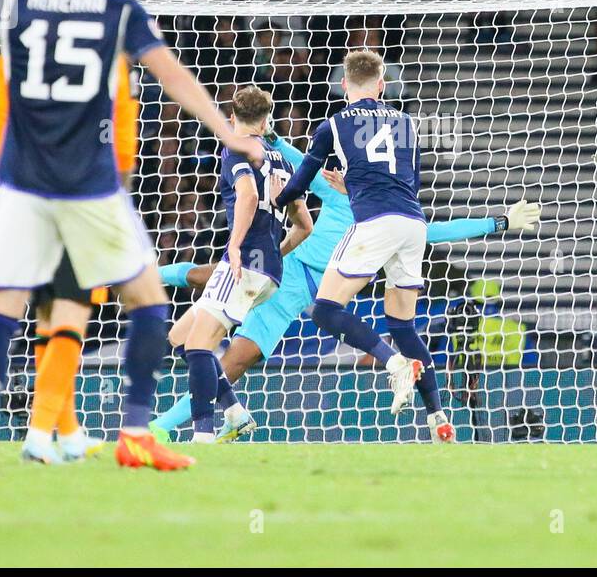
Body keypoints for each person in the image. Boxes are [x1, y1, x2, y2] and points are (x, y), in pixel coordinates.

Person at [0, 0, 259, 472]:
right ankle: (133, 433)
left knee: (1, 312)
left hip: (24, 188)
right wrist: (226, 131)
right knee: (149, 302)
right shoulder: (120, 11)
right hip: (92, 190)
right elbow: (171, 74)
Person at [151, 136, 542, 443]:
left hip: (293, 294)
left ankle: (173, 423)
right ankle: (152, 279)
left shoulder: (393, 214)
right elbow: (303, 159)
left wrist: (499, 222)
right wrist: (270, 134)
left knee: (226, 358)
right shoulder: (341, 191)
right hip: (284, 267)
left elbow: (439, 231)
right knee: (192, 320)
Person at [0, 0, 139, 463]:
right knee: (69, 314)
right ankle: (41, 436)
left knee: (29, 313)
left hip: (23, 197)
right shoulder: (109, 40)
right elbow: (123, 140)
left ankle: (45, 433)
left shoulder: (18, 46)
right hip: (82, 196)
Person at [273, 50, 433, 419]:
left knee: (326, 310)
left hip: (375, 222)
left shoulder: (334, 124)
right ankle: (438, 417)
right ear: (382, 84)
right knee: (403, 325)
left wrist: (278, 201)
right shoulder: (407, 123)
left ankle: (394, 364)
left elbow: (301, 180)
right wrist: (355, 187)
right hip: (413, 226)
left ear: (343, 84)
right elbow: (413, 184)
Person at [173, 86, 312, 442]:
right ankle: (234, 411)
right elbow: (304, 224)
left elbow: (248, 195)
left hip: (242, 263)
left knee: (198, 346)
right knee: (180, 336)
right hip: (268, 271)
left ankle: (202, 436)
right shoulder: (283, 162)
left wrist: (235, 247)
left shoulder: (236, 149)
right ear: (267, 122)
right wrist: (272, 256)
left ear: (232, 118)